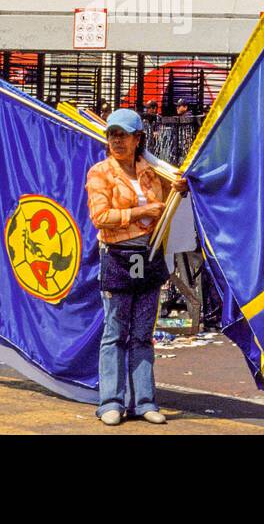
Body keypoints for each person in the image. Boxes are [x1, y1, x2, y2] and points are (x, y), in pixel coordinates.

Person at [86, 108, 187, 427]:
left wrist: (177, 191)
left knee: (143, 333)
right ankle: (111, 401)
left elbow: (166, 206)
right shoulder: (100, 172)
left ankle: (144, 400)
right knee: (115, 332)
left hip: (149, 255)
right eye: (112, 134)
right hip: (117, 255)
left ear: (137, 138)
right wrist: (139, 213)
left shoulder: (152, 172)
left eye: (123, 134)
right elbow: (100, 217)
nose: (116, 140)